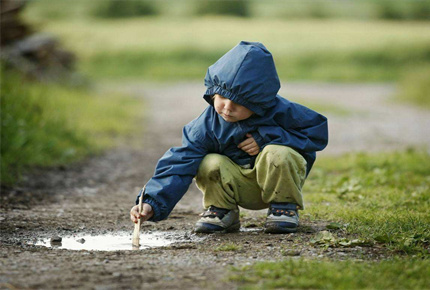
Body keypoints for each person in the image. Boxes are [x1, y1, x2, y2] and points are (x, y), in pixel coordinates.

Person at [130, 41, 328, 234]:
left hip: (277, 184)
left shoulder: (281, 111)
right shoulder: (205, 126)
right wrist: (152, 201)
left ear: (259, 102)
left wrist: (268, 138)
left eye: (238, 102)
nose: (227, 107)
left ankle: (284, 208)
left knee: (279, 152)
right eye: (222, 97)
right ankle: (222, 210)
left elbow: (317, 131)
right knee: (209, 161)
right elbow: (180, 162)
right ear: (213, 92)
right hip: (234, 186)